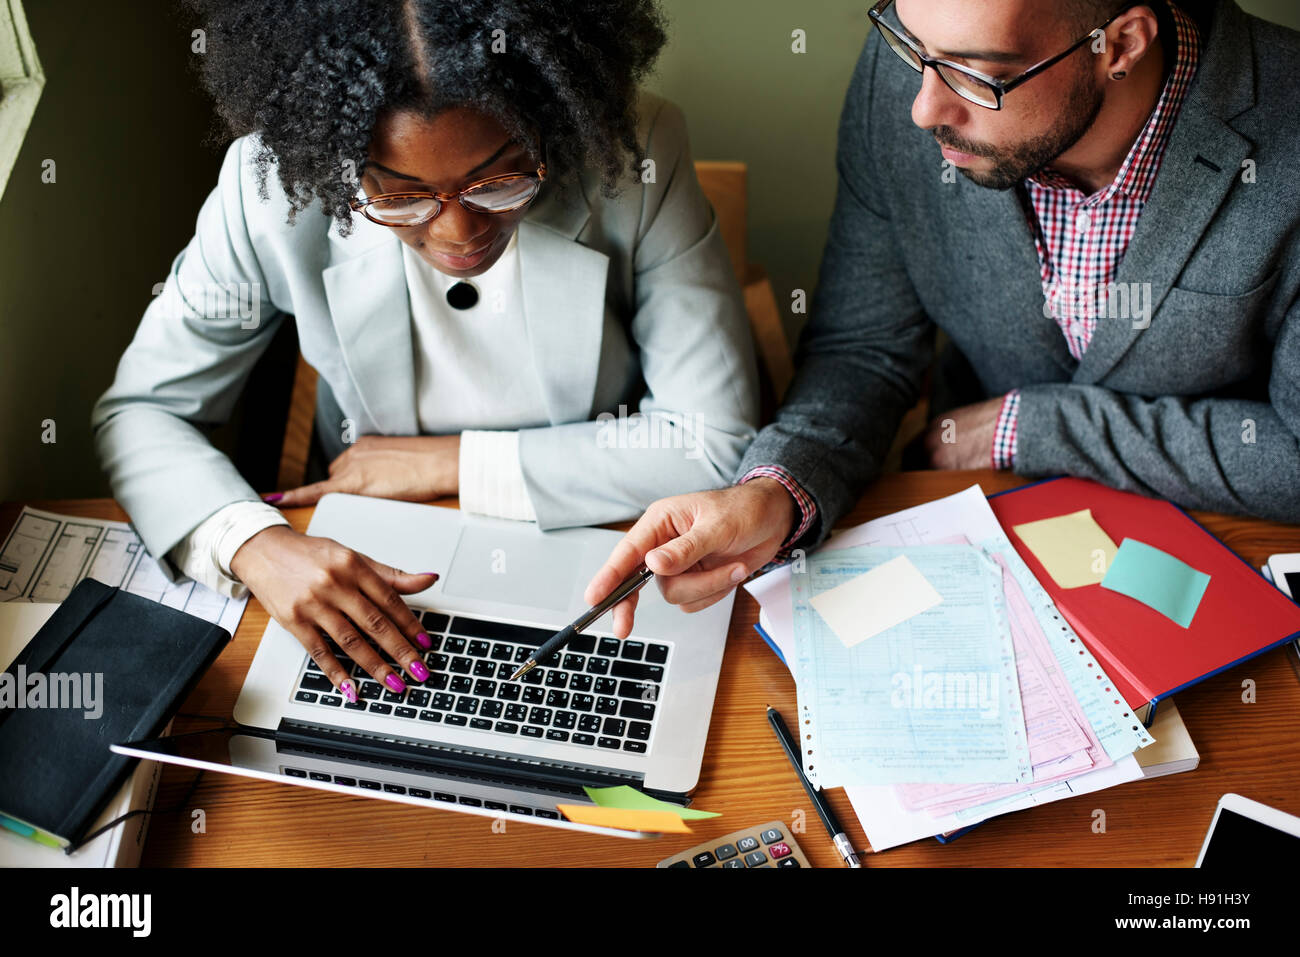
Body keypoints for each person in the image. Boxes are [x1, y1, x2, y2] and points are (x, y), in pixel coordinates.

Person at [91, 0, 758, 702]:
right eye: (403, 196)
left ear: (549, 123)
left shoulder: (635, 148)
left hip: (599, 531)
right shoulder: (268, 192)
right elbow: (141, 412)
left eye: (500, 179)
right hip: (380, 551)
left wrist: (449, 463)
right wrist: (253, 544)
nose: (459, 231)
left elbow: (712, 443)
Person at [586, 0, 1300, 636]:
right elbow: (863, 349)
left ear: (1120, 44)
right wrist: (776, 492)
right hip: (984, 541)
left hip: (1225, 556)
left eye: (974, 72)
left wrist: (1036, 425)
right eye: (910, 42)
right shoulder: (910, 71)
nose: (922, 107)